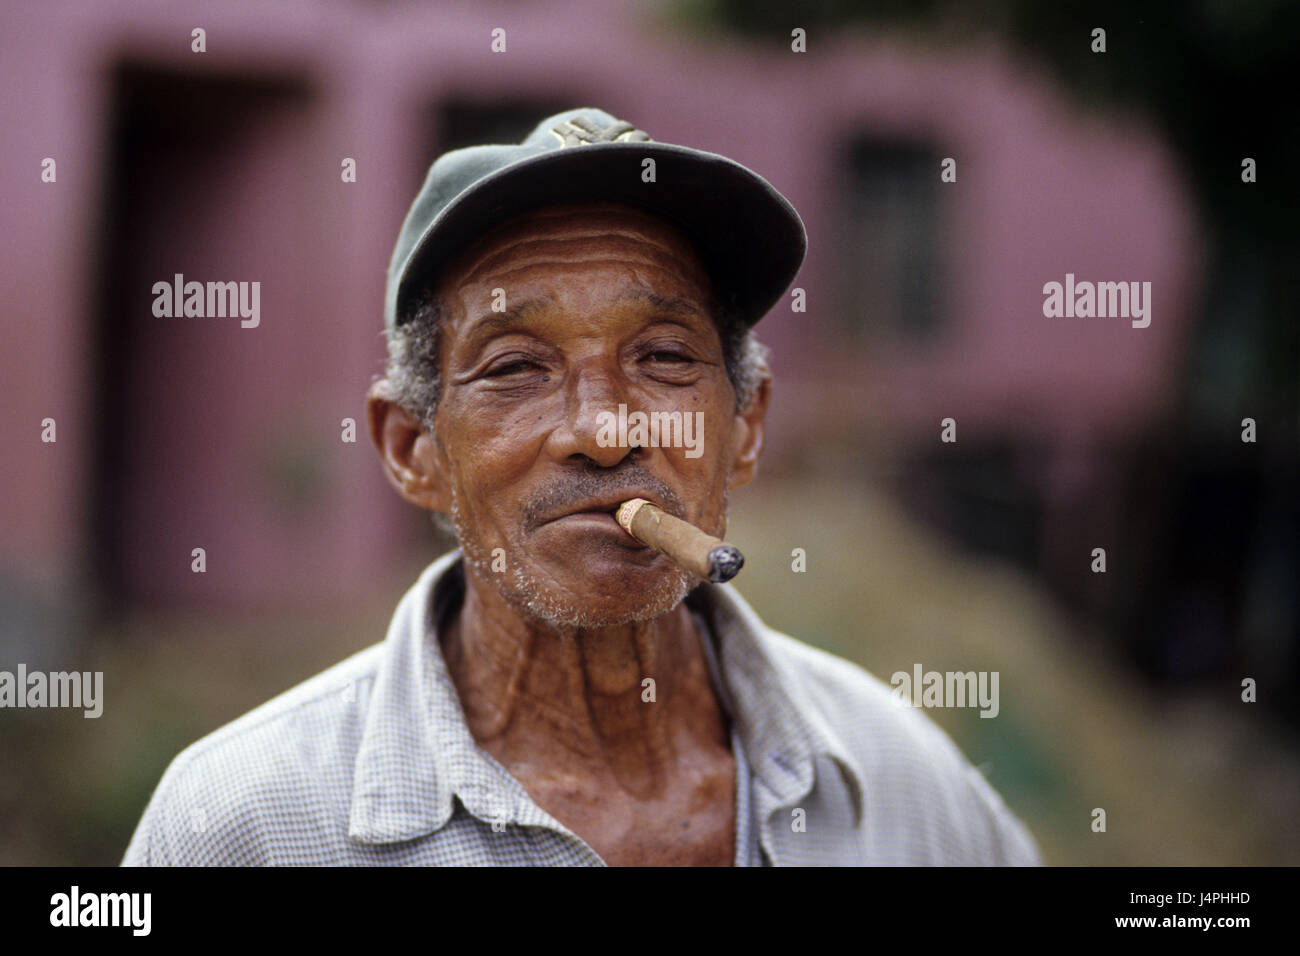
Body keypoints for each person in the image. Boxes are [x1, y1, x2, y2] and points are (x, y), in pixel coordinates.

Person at [122, 107, 1041, 866]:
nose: (605, 429)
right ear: (414, 451)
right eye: (516, 368)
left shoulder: (898, 782)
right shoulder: (239, 825)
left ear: (746, 429)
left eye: (666, 357)